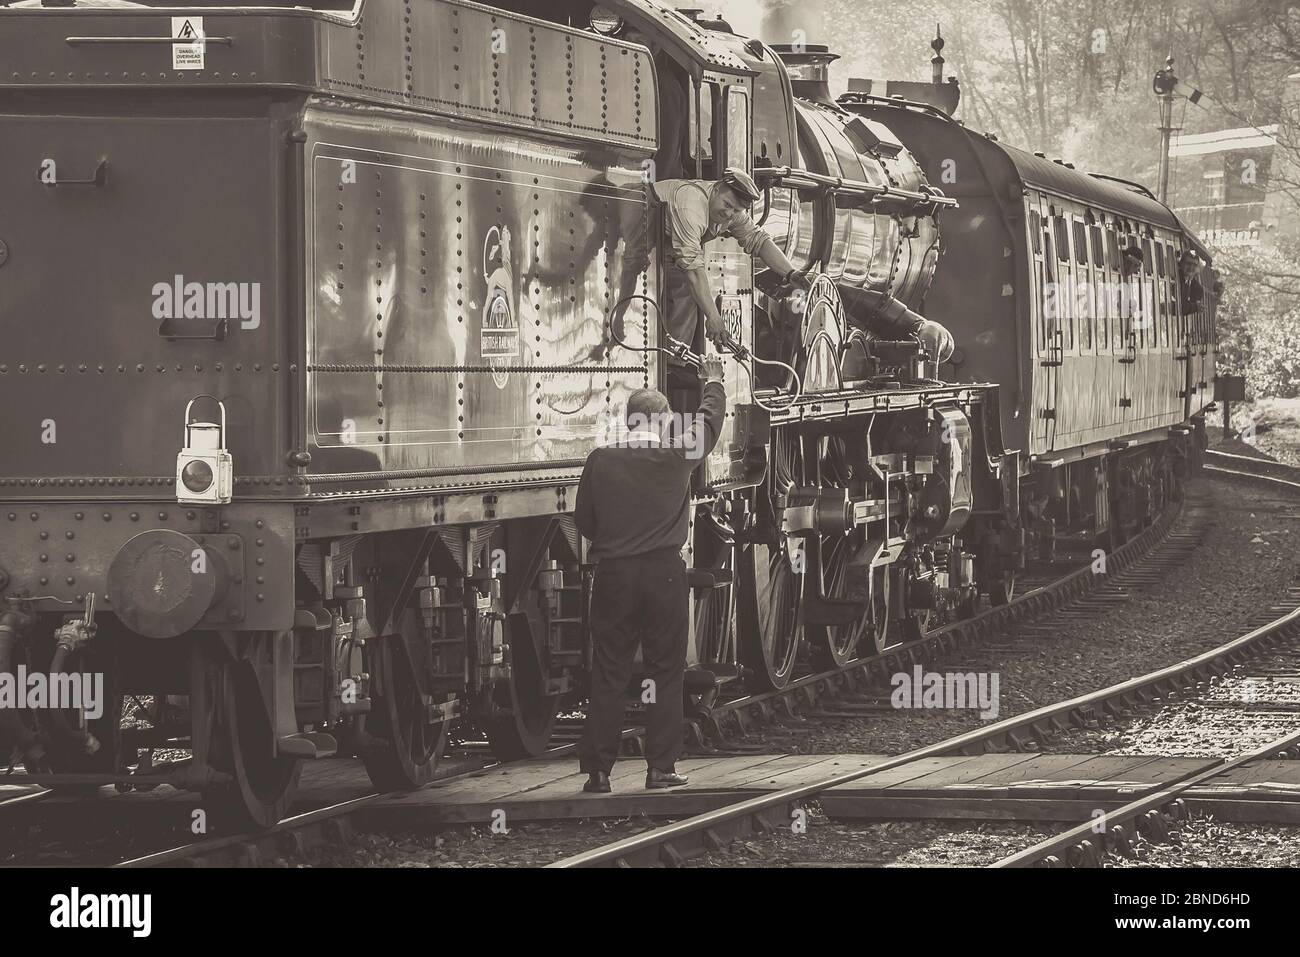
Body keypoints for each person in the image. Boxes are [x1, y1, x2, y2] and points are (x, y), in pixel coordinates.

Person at [574, 354, 727, 793]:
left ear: (629, 420)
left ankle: (599, 773)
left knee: (608, 670)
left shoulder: (600, 460)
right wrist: (712, 381)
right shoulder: (678, 455)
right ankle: (660, 769)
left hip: (614, 576)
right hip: (663, 576)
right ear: (661, 421)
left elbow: (585, 521)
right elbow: (710, 423)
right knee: (665, 671)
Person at [601, 168, 808, 363]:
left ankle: (671, 362)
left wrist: (790, 273)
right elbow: (693, 269)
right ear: (716, 188)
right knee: (635, 266)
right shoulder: (691, 204)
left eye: (736, 210)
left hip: (664, 234)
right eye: (727, 205)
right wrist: (714, 318)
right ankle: (618, 322)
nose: (729, 214)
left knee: (688, 292)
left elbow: (758, 239)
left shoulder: (732, 211)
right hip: (638, 209)